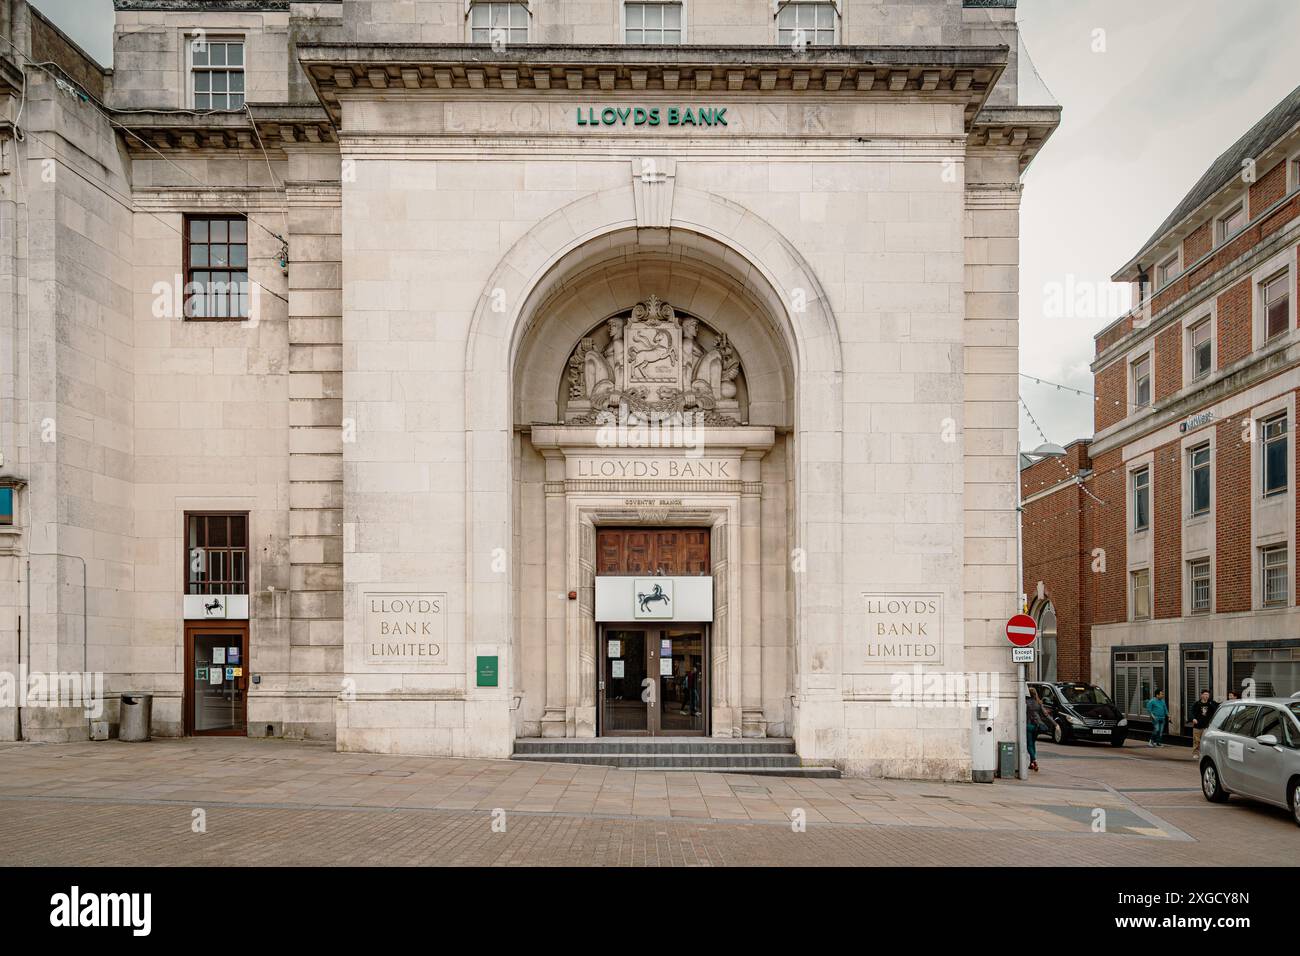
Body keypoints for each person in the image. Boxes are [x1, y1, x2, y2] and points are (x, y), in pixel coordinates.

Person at [1026, 687, 1051, 772]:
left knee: (1029, 745)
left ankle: (1034, 760)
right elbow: (1045, 714)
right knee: (1033, 744)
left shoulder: (1025, 702)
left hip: (1028, 725)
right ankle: (1031, 764)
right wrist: (1055, 724)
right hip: (1037, 726)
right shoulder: (1039, 702)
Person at [1189, 689, 1218, 758]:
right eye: (1205, 694)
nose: (1206, 696)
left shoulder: (1211, 703)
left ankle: (1205, 754)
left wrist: (1211, 704)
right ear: (1201, 695)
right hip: (1198, 725)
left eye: (1207, 695)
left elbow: (1217, 709)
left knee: (1207, 741)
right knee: (1196, 740)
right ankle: (1195, 753)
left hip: (1208, 726)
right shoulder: (1197, 704)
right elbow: (1191, 712)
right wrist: (1193, 718)